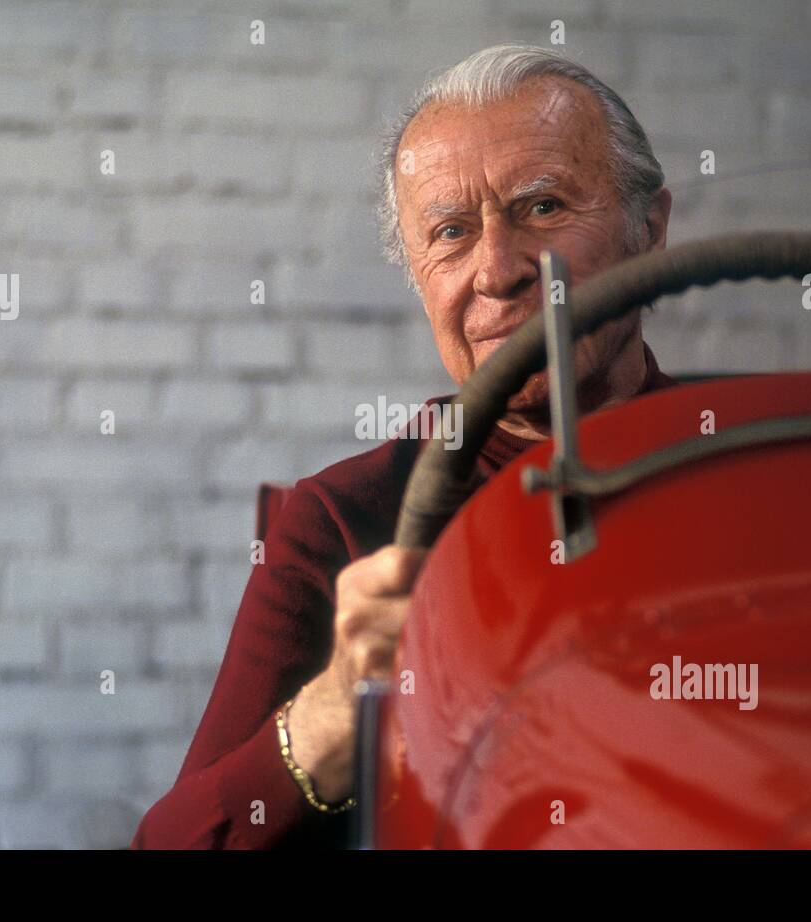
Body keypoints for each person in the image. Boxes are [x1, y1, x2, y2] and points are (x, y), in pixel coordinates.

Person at [132, 42, 677, 849]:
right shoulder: (345, 520)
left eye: (542, 207)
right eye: (452, 232)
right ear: (420, 276)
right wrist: (338, 705)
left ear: (649, 229)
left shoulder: (768, 462)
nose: (497, 269)